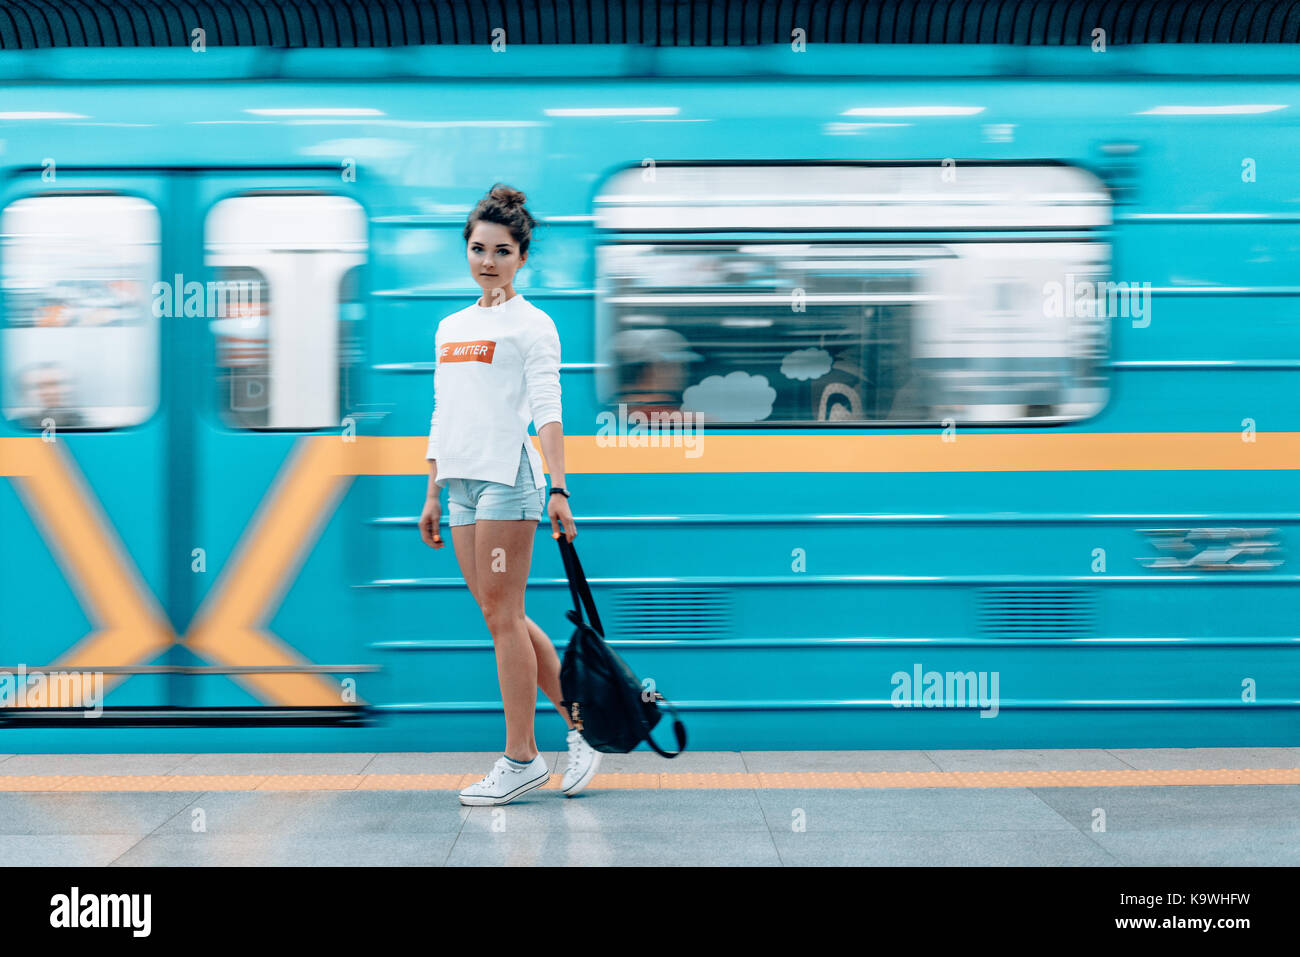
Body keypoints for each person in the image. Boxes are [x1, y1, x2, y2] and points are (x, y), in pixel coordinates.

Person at [417, 183, 601, 806]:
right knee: (507, 618)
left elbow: (548, 411)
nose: (487, 261)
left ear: (522, 256)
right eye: (477, 248)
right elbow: (444, 411)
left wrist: (559, 487)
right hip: (462, 485)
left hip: (508, 480)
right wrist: (433, 489)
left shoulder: (533, 325)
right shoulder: (451, 327)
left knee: (502, 618)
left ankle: (522, 757)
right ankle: (584, 728)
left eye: (501, 250)